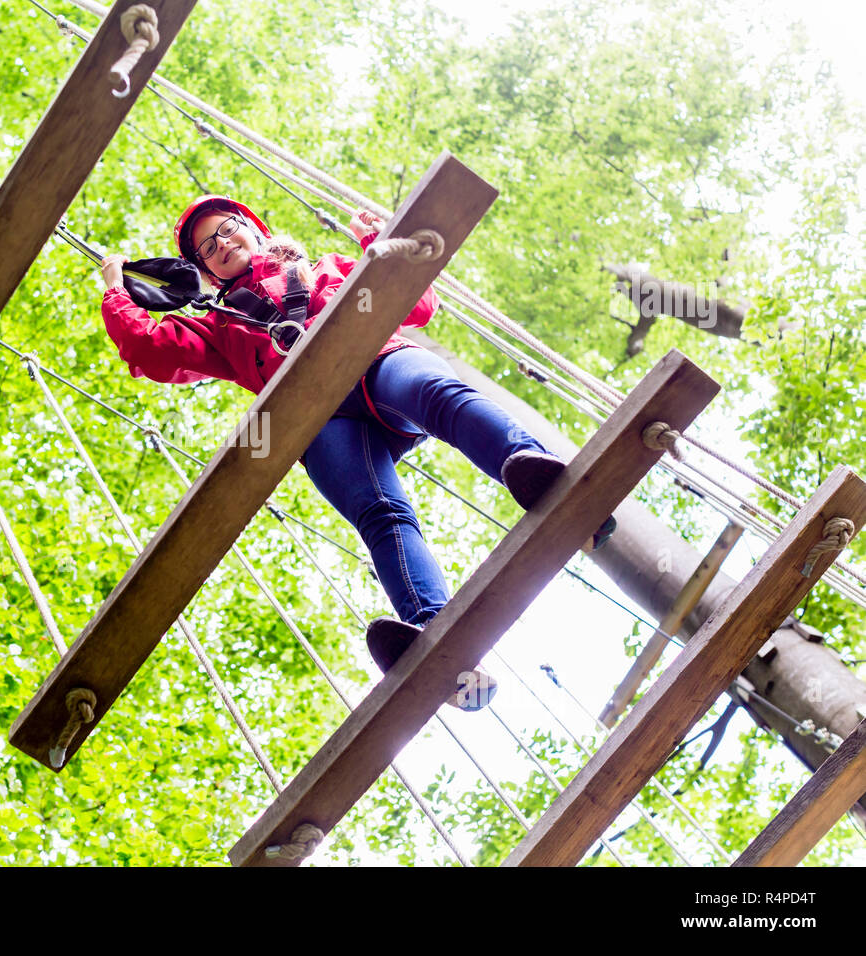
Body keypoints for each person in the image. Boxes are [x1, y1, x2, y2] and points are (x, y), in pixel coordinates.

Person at [98, 195, 615, 711]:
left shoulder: (323, 270)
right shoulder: (219, 326)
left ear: (253, 228)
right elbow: (149, 350)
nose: (224, 244)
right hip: (323, 419)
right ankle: (435, 635)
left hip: (378, 359)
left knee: (439, 397)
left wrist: (376, 243)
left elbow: (416, 304)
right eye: (208, 248)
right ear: (204, 269)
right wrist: (118, 293)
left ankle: (535, 471)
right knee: (380, 515)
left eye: (229, 229)